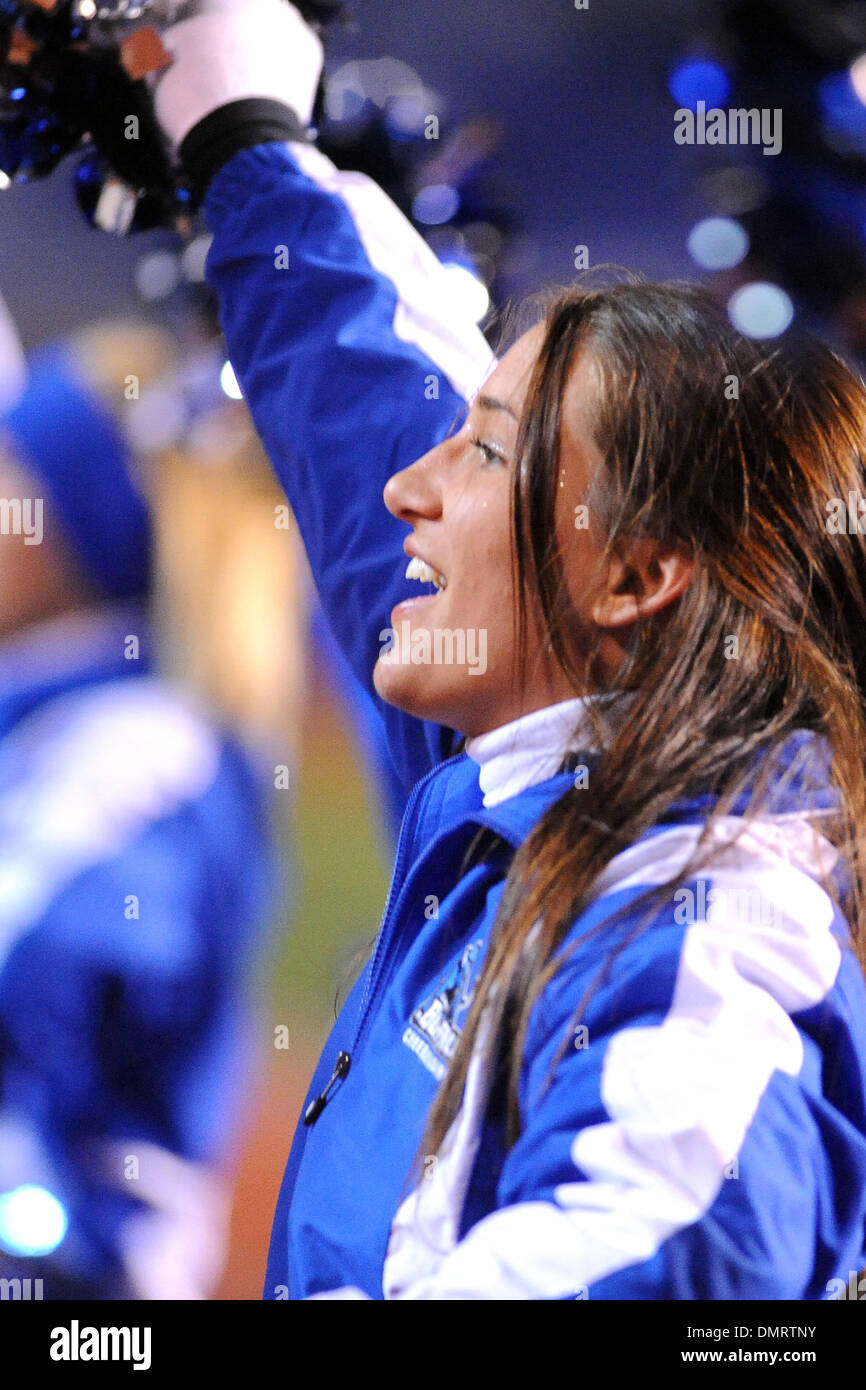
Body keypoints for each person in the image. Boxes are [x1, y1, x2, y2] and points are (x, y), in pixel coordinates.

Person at [141, 0, 866, 1300]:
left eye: (481, 448)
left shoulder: (712, 918)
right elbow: (366, 414)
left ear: (636, 573)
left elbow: (670, 1245)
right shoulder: (541, 762)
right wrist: (244, 144)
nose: (414, 488)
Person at [0, 318, 278, 1298]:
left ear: (77, 525)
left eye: (9, 479)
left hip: (77, 1275)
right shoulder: (55, 721)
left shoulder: (137, 744)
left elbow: (30, 966)